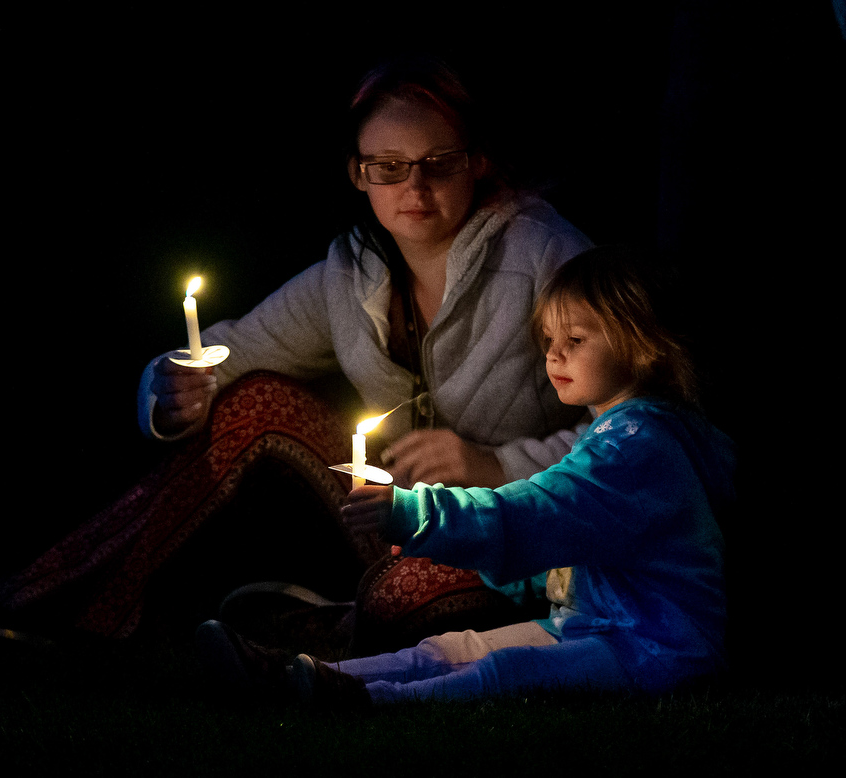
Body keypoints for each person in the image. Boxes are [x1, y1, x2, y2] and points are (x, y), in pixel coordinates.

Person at [0, 56, 593, 641]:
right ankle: (53, 609)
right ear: (358, 173)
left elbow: (633, 428)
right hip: (391, 521)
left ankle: (296, 629)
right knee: (254, 401)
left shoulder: (546, 256)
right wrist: (170, 390)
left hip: (518, 542)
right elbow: (224, 353)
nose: (415, 185)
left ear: (476, 162)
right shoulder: (351, 273)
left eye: (438, 163)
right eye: (388, 166)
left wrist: (493, 466)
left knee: (404, 597)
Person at [197, 245, 736, 707]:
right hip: (598, 626)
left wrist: (413, 513)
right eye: (548, 339)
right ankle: (306, 674)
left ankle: (358, 697)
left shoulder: (636, 447)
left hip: (658, 648)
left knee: (507, 672)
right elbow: (570, 549)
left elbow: (535, 513)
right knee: (456, 648)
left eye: (575, 340)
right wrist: (466, 557)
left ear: (643, 346)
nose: (553, 355)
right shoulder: (625, 432)